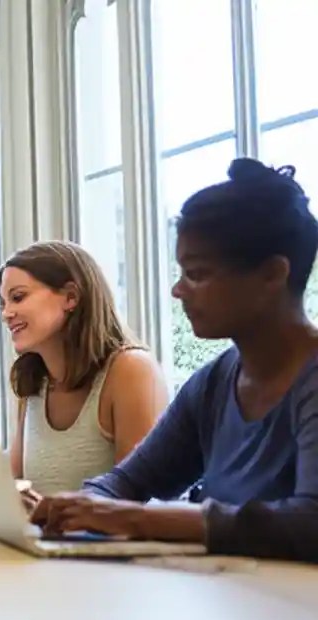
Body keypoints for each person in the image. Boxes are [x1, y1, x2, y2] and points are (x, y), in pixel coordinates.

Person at [33, 159, 318, 563]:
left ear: (273, 274)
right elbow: (125, 482)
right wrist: (80, 508)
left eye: (197, 274)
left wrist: (139, 519)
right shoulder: (214, 382)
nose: (178, 290)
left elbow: (310, 524)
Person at [0, 241, 168, 497]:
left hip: (102, 539)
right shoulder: (34, 381)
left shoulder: (131, 369)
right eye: (3, 303)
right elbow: (13, 481)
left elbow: (140, 500)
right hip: (41, 537)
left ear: (71, 297)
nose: (6, 314)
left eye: (18, 297)